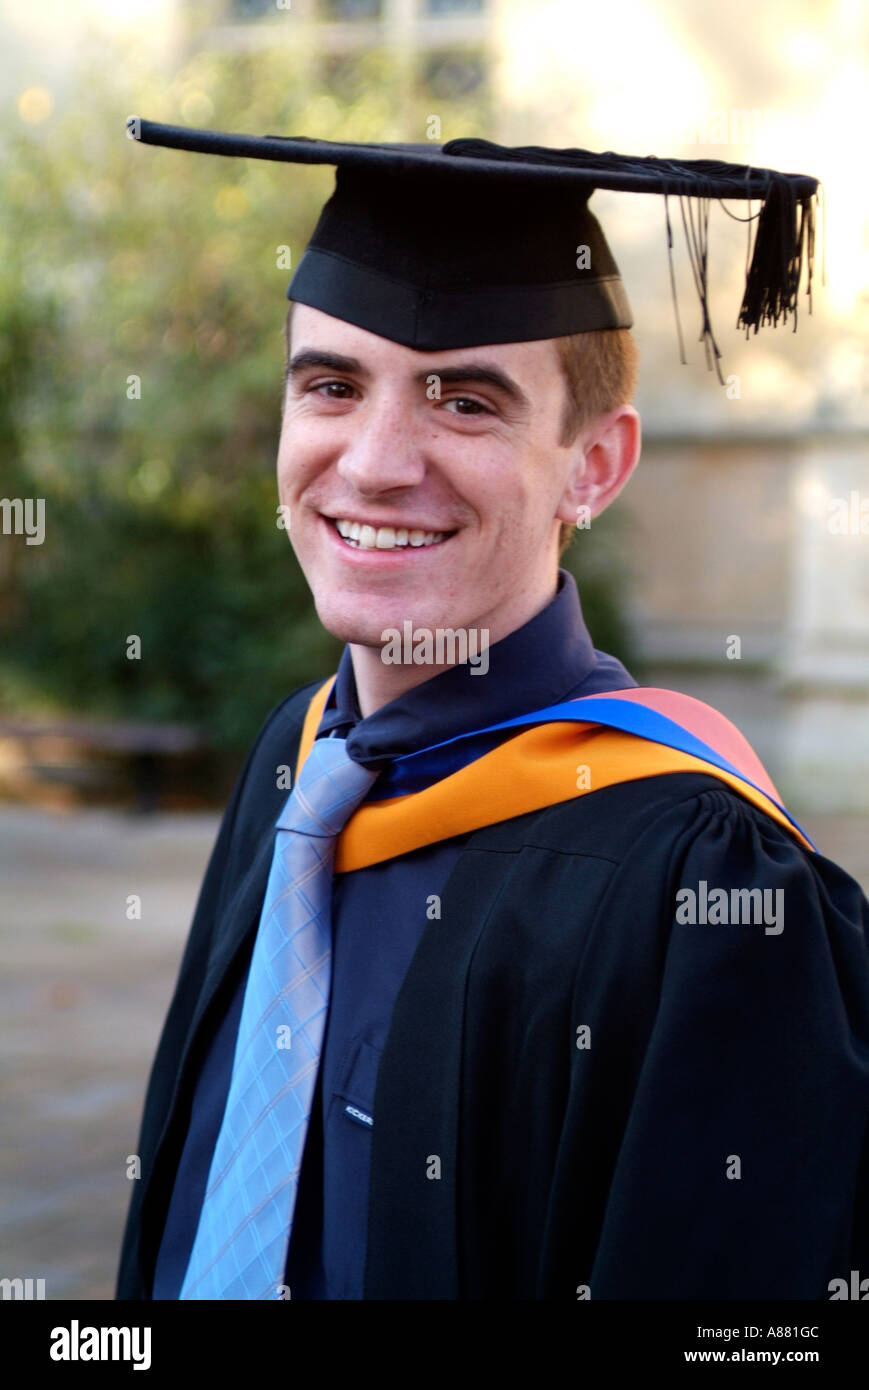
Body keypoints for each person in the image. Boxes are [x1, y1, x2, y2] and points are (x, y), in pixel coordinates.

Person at [116, 121, 869, 1301]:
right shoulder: (296, 764)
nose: (374, 462)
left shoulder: (702, 886)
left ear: (592, 467)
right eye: (331, 385)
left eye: (464, 402)